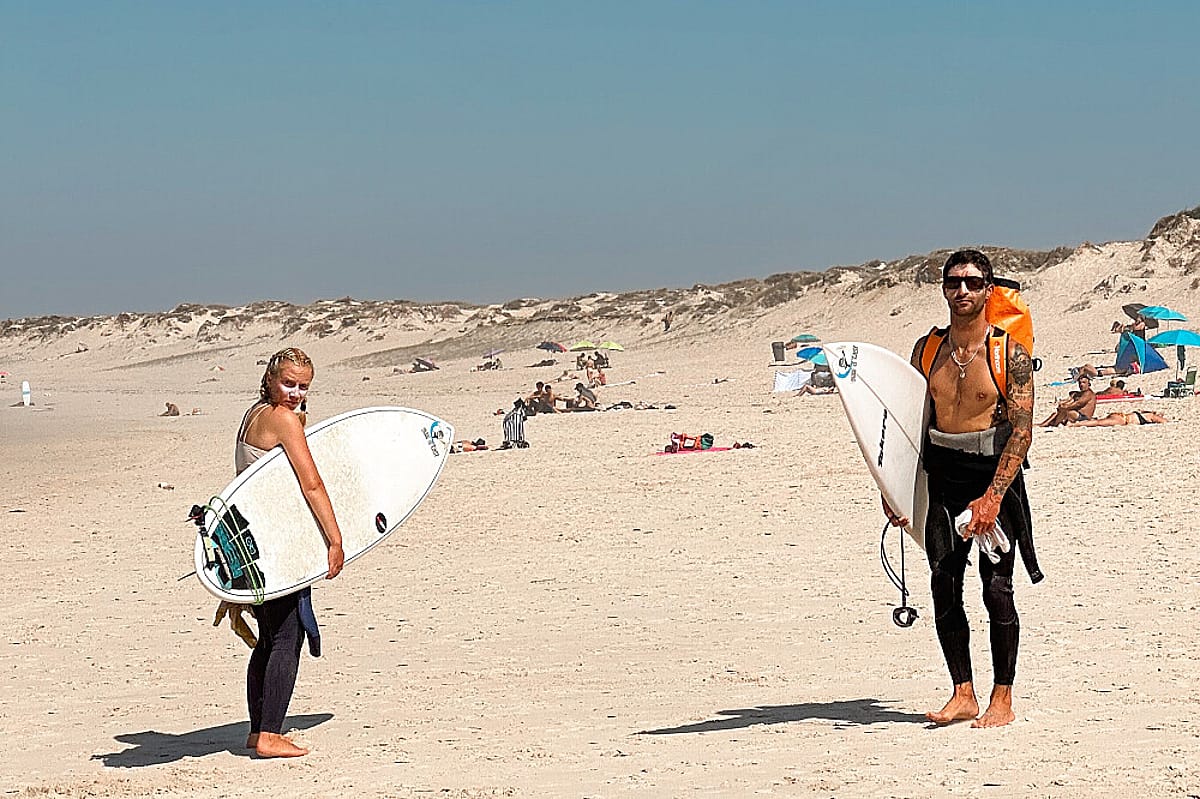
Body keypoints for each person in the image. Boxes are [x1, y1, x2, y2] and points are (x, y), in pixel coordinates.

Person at [887, 249, 1041, 729]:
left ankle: (1002, 697)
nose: (963, 291)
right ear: (943, 288)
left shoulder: (1008, 353)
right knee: (944, 584)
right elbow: (908, 424)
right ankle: (963, 693)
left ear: (989, 291)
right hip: (942, 477)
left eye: (973, 283)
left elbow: (1022, 430)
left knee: (997, 590)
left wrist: (993, 497)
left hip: (992, 476)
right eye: (954, 282)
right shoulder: (926, 351)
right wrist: (893, 489)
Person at [233, 347, 344, 757]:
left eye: (303, 386)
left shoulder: (255, 414)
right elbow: (311, 483)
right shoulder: (282, 420)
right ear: (270, 379)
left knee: (268, 636)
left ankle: (256, 728)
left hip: (251, 541)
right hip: (275, 542)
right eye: (288, 383)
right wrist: (334, 539)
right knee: (287, 634)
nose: (296, 393)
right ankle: (269, 735)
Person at [1069, 409, 1167, 427]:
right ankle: (1075, 424)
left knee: (1098, 421)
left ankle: (1077, 422)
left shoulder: (1145, 413)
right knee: (1098, 423)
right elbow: (1164, 422)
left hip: (1121, 415)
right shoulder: (1151, 416)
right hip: (1122, 420)